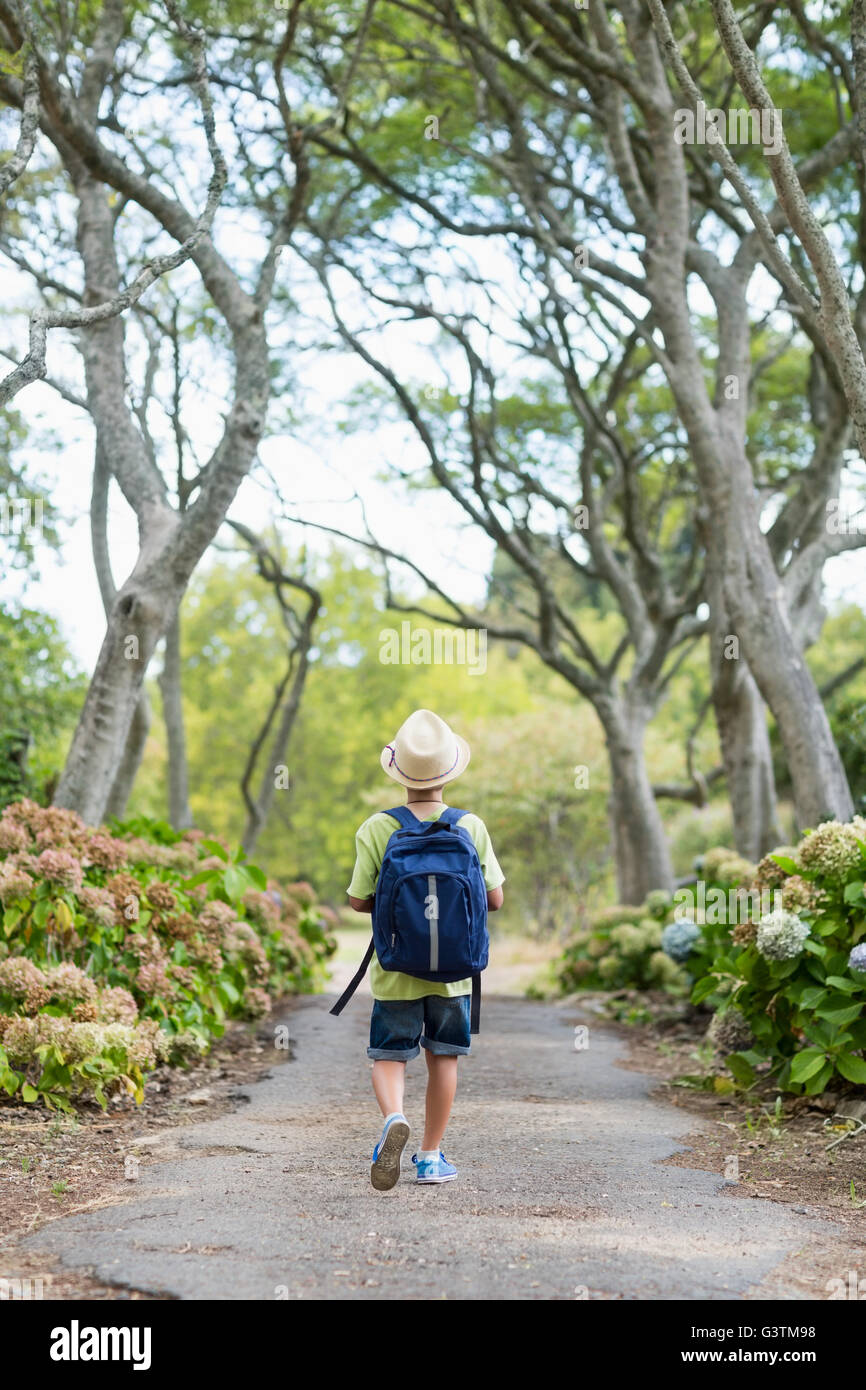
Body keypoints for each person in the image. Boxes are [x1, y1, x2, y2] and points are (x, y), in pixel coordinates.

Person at [347, 708, 504, 1190]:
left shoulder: (378, 827)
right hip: (454, 972)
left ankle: (394, 1117)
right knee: (444, 1058)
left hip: (396, 969)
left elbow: (357, 900)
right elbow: (494, 899)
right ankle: (431, 1156)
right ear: (450, 769)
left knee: (389, 1055)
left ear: (400, 772)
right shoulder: (469, 826)